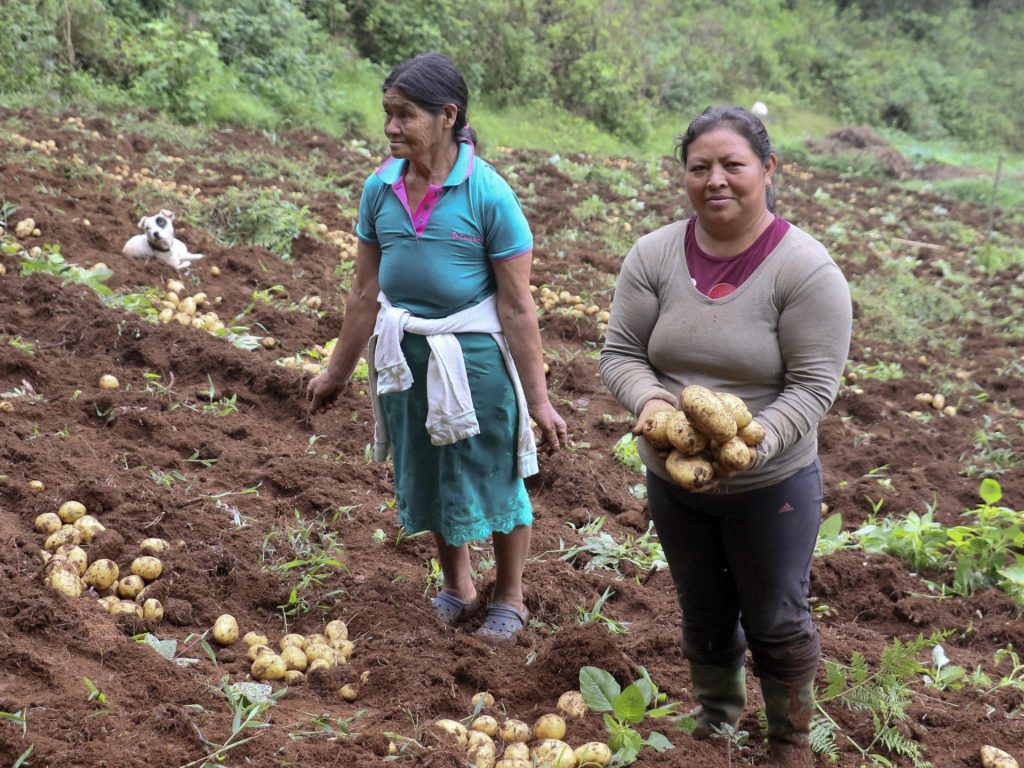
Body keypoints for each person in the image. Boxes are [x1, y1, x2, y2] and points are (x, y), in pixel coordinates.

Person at [599, 106, 852, 767]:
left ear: (767, 170)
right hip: (675, 478)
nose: (716, 179)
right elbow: (621, 352)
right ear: (684, 175)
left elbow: (814, 387)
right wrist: (652, 403)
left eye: (733, 165)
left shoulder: (806, 270)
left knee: (775, 617)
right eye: (699, 167)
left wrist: (756, 440)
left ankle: (791, 740)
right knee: (703, 612)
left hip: (773, 481)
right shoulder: (653, 255)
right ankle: (714, 726)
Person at [307, 52, 566, 643]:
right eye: (387, 114)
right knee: (428, 468)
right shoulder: (380, 188)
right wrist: (337, 372)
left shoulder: (489, 196)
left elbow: (518, 306)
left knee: (494, 473)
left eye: (404, 115)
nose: (391, 127)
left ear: (447, 115)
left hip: (475, 361)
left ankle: (511, 596)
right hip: (406, 360)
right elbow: (364, 291)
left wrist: (539, 400)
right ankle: (458, 586)